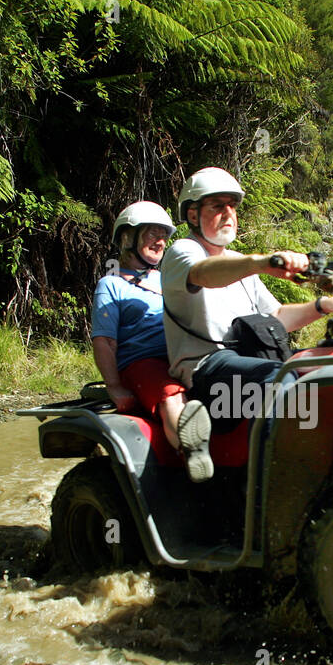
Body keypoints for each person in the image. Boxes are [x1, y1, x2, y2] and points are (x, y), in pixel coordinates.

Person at [159, 168, 333, 430]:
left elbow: (276, 317)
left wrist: (324, 305)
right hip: (206, 372)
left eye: (232, 206)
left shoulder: (237, 262)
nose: (229, 214)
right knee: (278, 377)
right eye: (217, 206)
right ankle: (278, 467)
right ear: (192, 214)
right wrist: (261, 262)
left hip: (248, 359)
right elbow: (203, 274)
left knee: (331, 365)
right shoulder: (183, 251)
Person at [90, 201, 214, 482]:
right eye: (151, 234)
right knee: (171, 392)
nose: (159, 242)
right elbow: (104, 340)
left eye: (163, 236)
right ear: (127, 238)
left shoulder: (169, 278)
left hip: (183, 353)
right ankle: (192, 454)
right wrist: (115, 387)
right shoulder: (111, 284)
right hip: (142, 361)